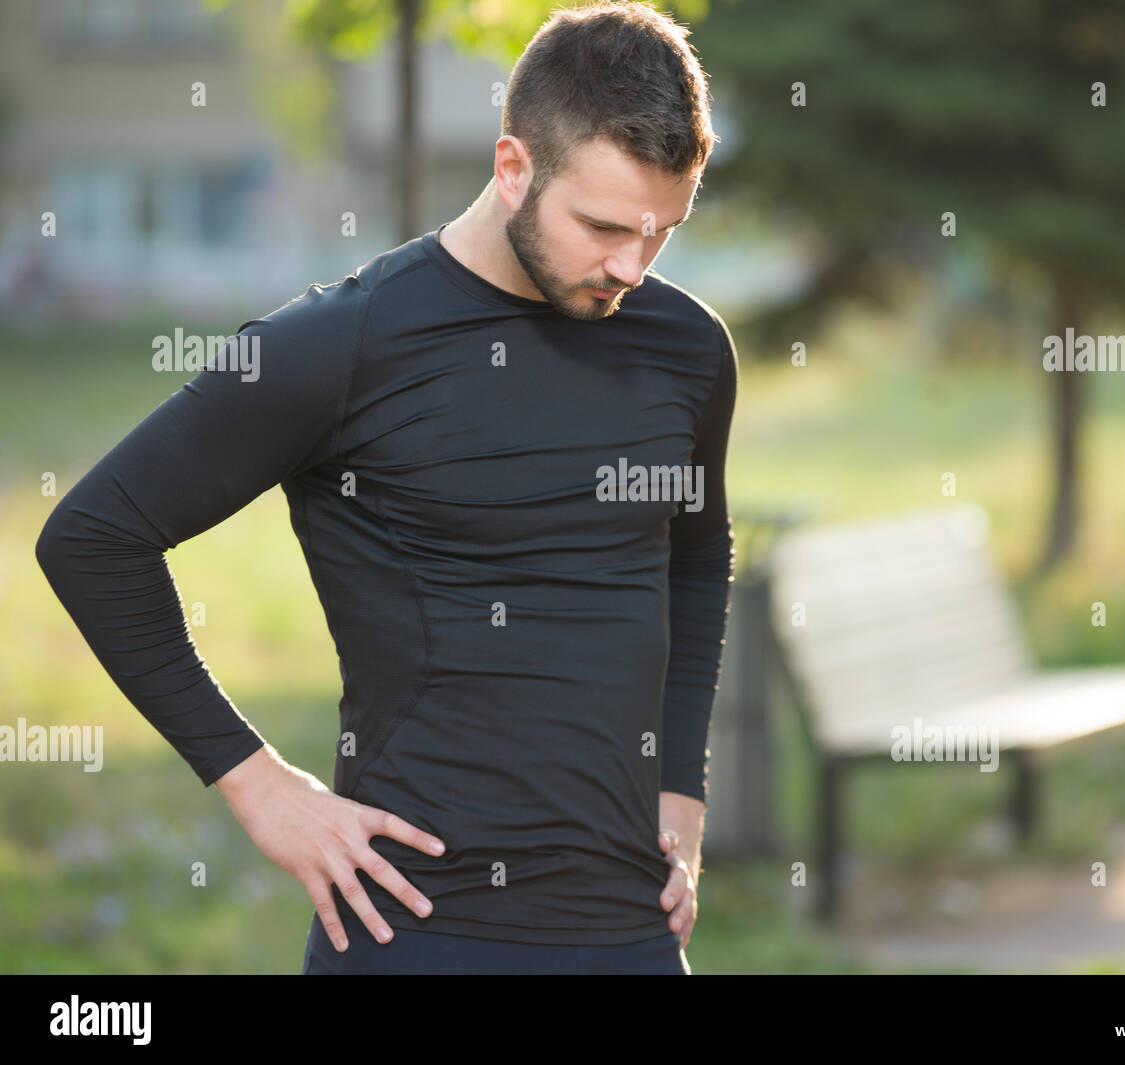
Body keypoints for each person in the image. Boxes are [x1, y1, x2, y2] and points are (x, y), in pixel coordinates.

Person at [35, 0, 736, 976]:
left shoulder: (687, 348)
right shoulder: (341, 346)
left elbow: (696, 560)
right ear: (512, 167)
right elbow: (95, 537)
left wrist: (684, 788)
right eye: (604, 226)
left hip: (627, 925)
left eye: (662, 232)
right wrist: (257, 785)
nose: (631, 265)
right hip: (412, 928)